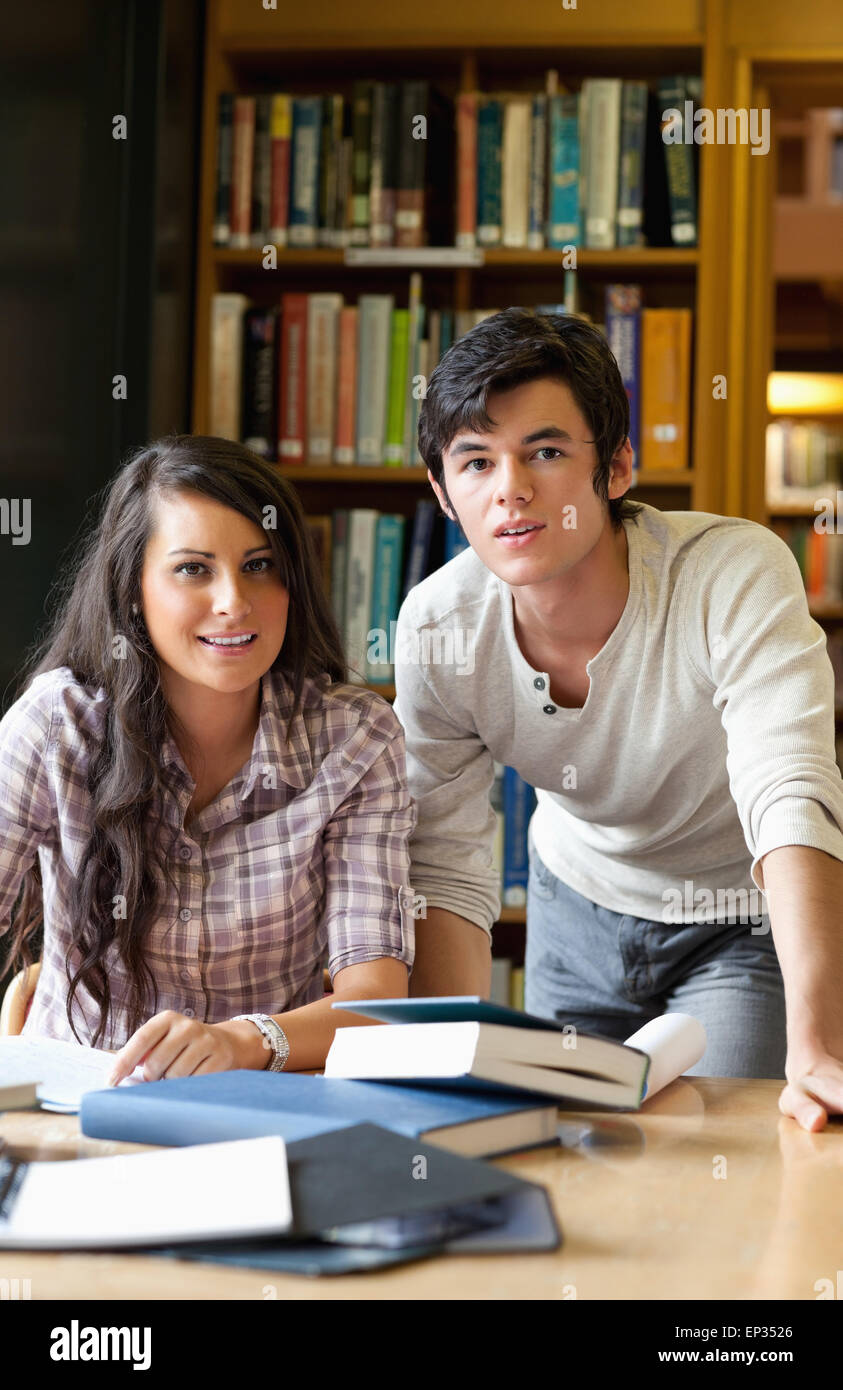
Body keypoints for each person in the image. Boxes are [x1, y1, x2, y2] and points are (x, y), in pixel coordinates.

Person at [393, 307, 843, 1133]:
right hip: (576, 909)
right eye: (475, 462)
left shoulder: (730, 573)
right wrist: (446, 1061)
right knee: (561, 1145)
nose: (511, 489)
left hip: (730, 918)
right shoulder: (437, 626)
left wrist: (818, 1047)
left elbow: (791, 786)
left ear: (618, 467)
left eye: (547, 451)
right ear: (443, 495)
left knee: (724, 1147)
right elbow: (447, 862)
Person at [0, 435, 414, 1080]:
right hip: (76, 1107)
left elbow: (378, 1003)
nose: (234, 602)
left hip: (266, 1108)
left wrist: (242, 1042)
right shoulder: (58, 725)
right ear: (132, 588)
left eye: (259, 565)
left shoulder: (356, 738)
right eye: (194, 568)